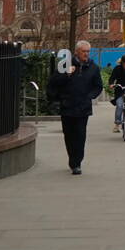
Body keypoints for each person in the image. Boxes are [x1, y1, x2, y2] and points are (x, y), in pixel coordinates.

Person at [46, 40, 103, 175]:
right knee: (69, 135)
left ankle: (77, 163)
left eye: (88, 51)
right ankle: (72, 158)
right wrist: (66, 75)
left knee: (80, 135)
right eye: (84, 51)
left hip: (83, 107)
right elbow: (53, 82)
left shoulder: (93, 67)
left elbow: (98, 86)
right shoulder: (65, 65)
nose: (86, 54)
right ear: (77, 52)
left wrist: (90, 96)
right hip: (67, 106)